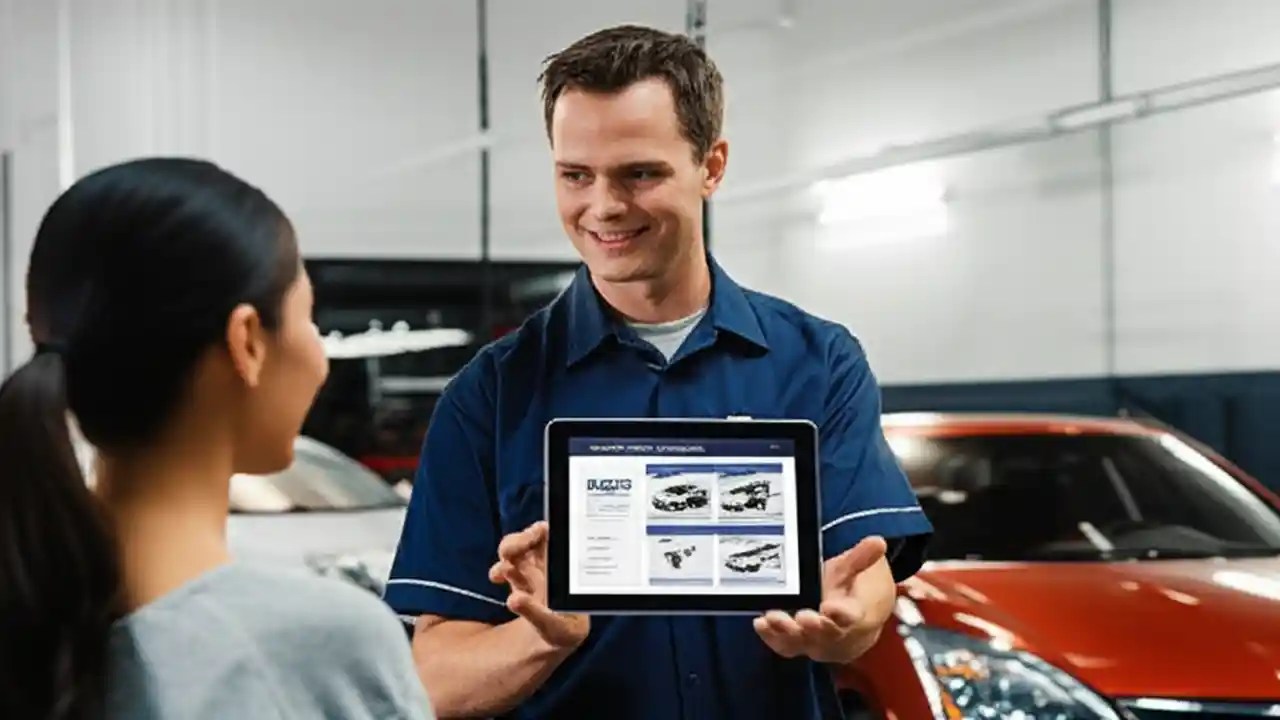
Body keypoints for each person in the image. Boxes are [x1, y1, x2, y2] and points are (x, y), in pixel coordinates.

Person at [385, 24, 932, 720]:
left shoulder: (817, 362)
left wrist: (847, 621)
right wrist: (542, 637)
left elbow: (865, 574)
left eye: (639, 173)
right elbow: (433, 680)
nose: (604, 205)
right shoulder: (491, 395)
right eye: (575, 174)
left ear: (712, 166)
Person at [0, 157, 435, 720]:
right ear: (248, 341)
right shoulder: (322, 645)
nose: (319, 359)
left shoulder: (30, 628)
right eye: (308, 316)